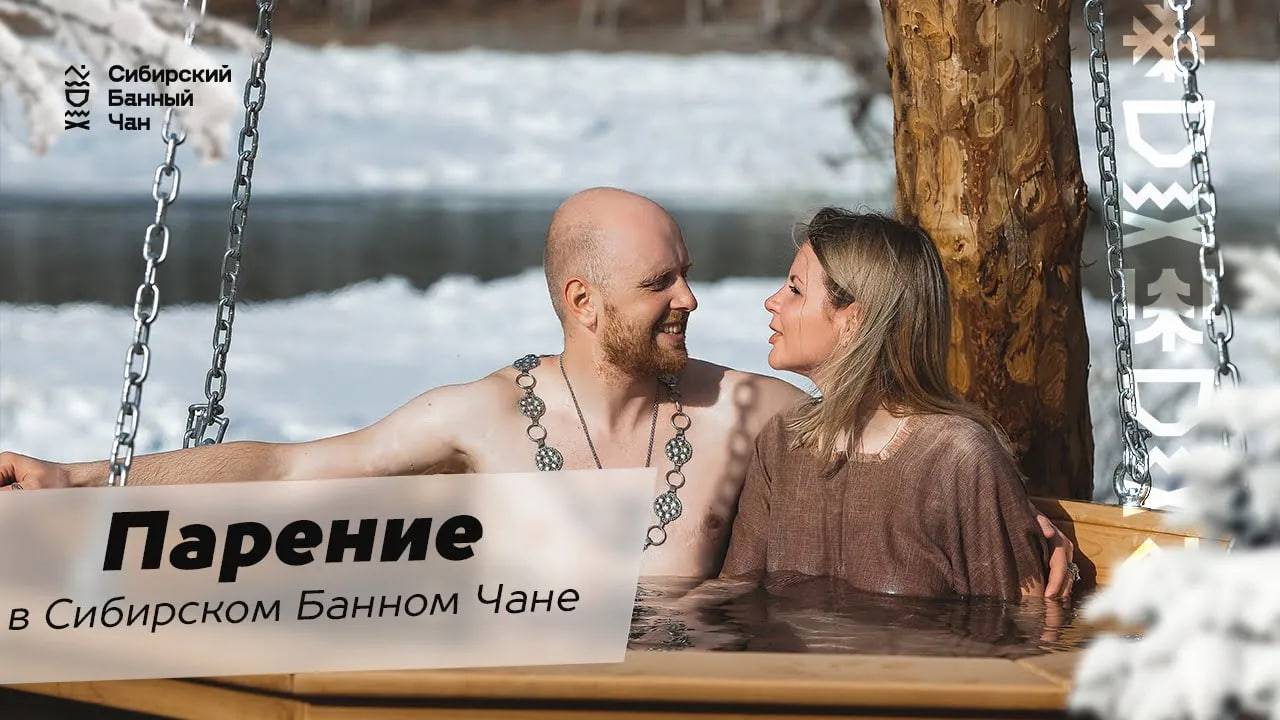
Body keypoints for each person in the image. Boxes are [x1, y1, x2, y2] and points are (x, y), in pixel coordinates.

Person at [0, 189, 1075, 592]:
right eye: (660, 285)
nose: (692, 300)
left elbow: (894, 438)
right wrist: (78, 480)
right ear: (582, 302)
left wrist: (1021, 512)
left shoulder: (749, 412)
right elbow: (288, 469)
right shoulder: (480, 418)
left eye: (686, 274)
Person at [721, 208, 1069, 600]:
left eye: (795, 290)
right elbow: (735, 596)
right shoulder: (782, 442)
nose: (772, 302)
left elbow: (1022, 622)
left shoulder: (958, 458)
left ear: (855, 320)